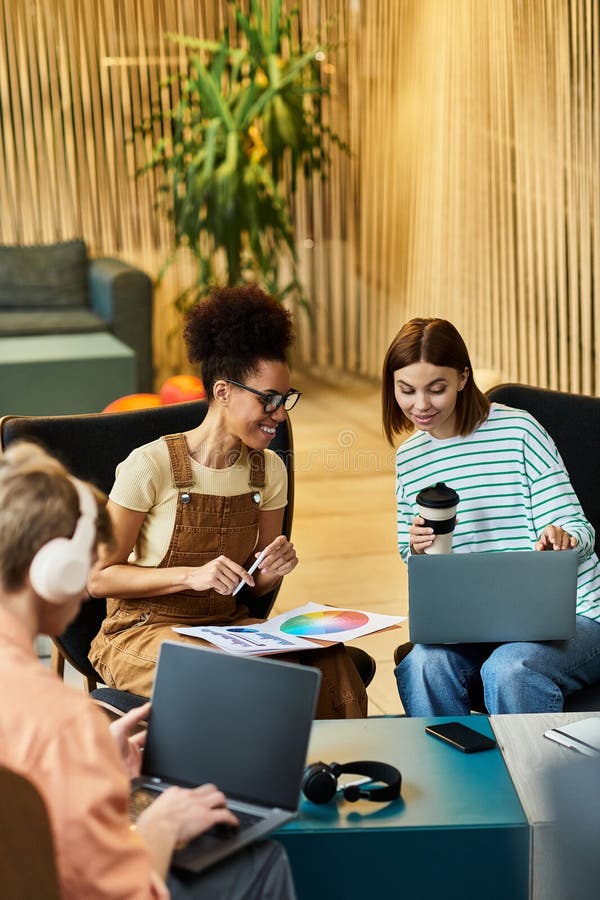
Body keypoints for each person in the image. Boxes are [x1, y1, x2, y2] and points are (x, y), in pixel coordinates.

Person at [0, 441, 297, 899]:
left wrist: (96, 766)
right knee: (262, 861)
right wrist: (159, 828)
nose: (87, 587)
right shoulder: (62, 721)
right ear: (56, 571)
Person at [89, 284, 367, 718]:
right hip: (141, 632)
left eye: (285, 400)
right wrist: (191, 577)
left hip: (226, 628)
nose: (280, 413)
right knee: (247, 678)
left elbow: (253, 586)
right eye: (268, 400)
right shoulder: (151, 465)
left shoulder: (269, 470)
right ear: (223, 392)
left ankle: (335, 774)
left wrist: (271, 572)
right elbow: (99, 578)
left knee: (328, 659)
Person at [381, 316, 600, 715]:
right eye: (406, 390)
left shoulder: (519, 432)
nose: (421, 405)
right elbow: (411, 558)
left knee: (509, 668)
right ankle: (449, 776)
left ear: (463, 378)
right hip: (475, 623)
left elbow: (580, 532)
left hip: (575, 616)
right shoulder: (410, 457)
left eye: (437, 389)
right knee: (423, 666)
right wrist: (419, 550)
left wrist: (563, 540)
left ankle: (528, 778)